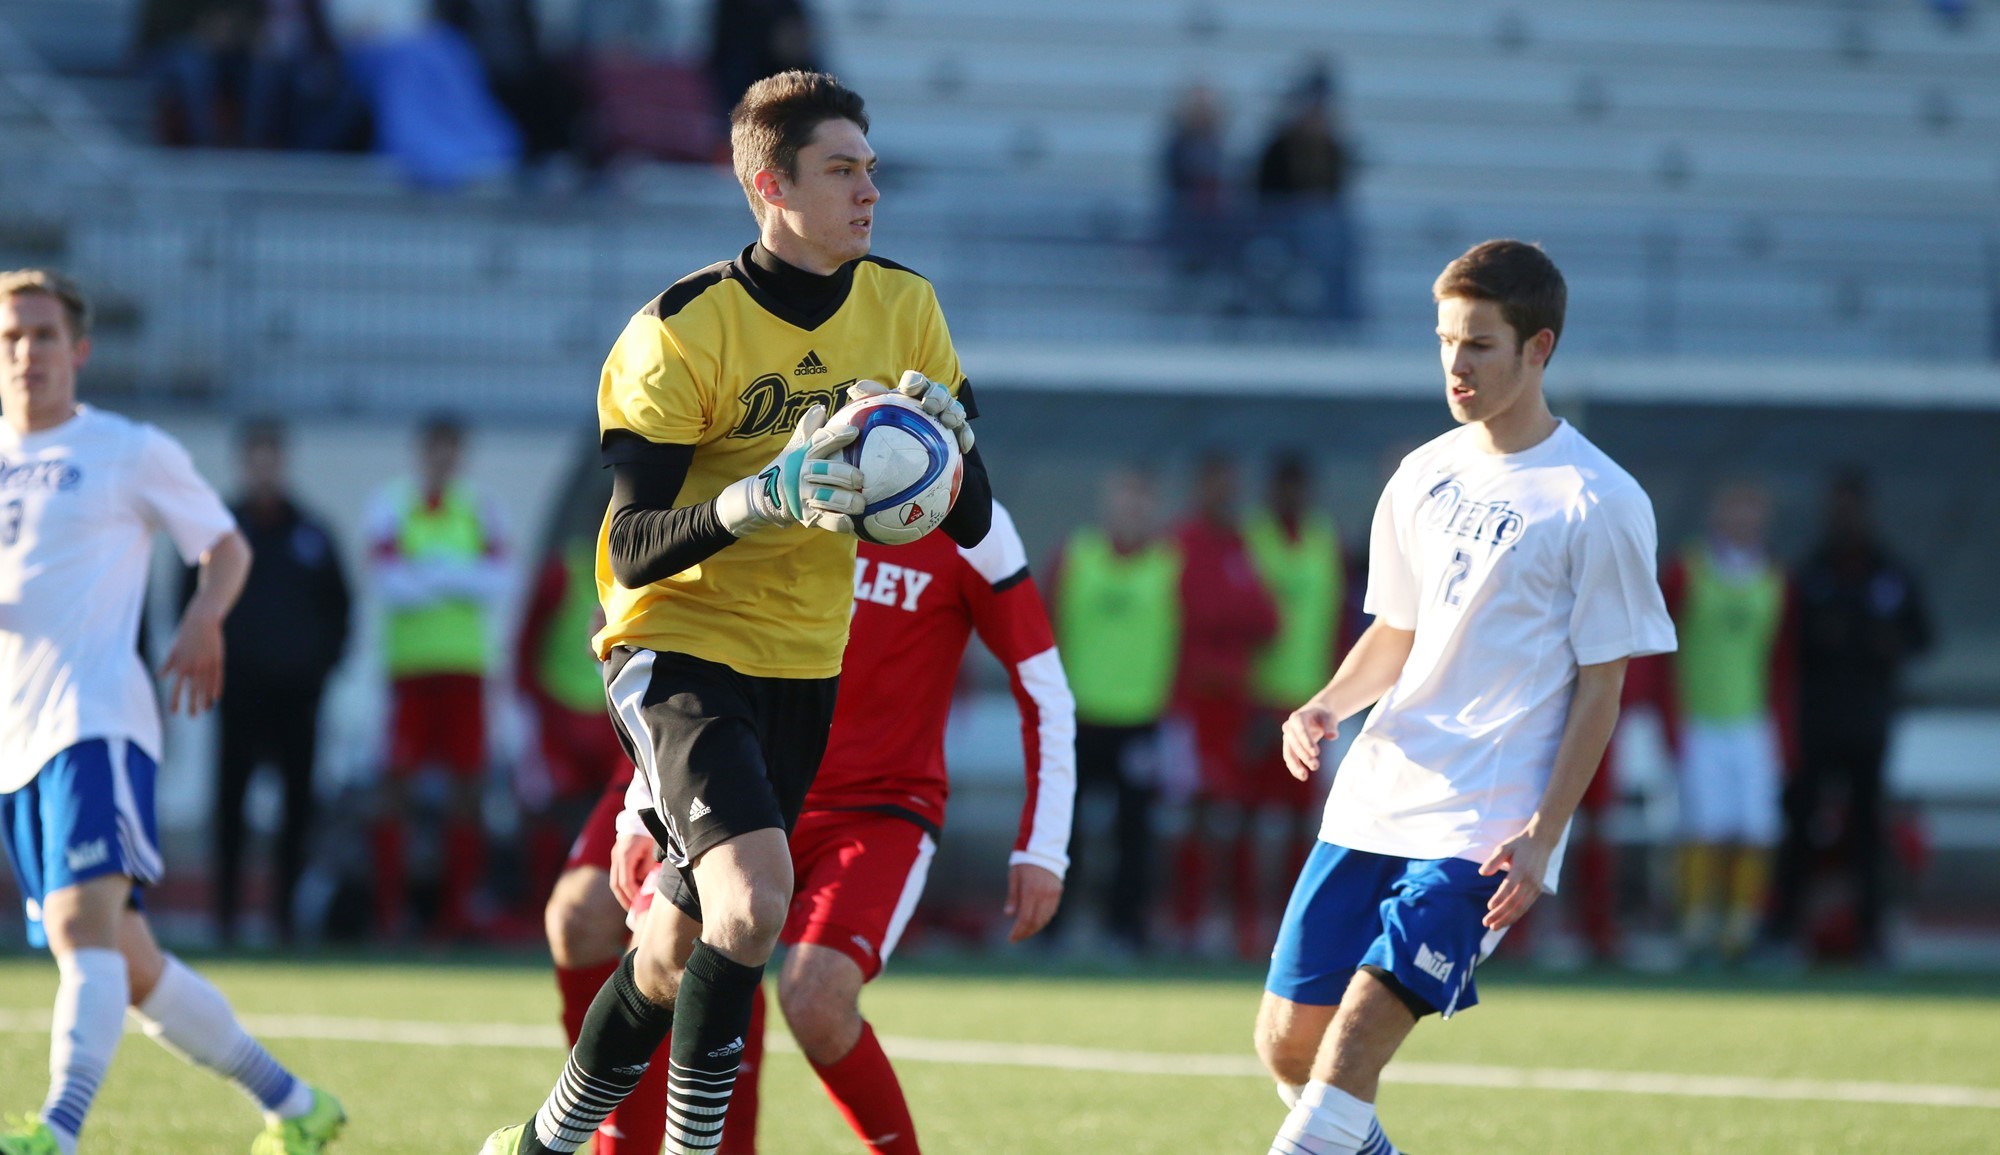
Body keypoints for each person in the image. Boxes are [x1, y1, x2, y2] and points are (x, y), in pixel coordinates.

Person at [477, 68, 992, 1155]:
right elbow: (626, 544)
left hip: (806, 660)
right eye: (841, 170)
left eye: (870, 168)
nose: (868, 192)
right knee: (753, 906)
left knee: (669, 952)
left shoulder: (905, 307)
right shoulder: (678, 331)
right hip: (677, 650)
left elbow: (967, 515)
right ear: (770, 184)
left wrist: (945, 450)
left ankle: (542, 1144)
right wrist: (763, 496)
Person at [1256, 241, 1676, 1155]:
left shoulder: (1597, 500)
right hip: (1375, 794)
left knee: (1348, 1057)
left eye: (1481, 343)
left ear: (1540, 349)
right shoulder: (1422, 473)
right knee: (1287, 1044)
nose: (1456, 363)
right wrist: (1326, 703)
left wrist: (1542, 834)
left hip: (1480, 826)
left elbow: (1604, 686)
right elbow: (1397, 632)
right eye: (1446, 339)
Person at [596, 499, 1074, 1155]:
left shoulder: (968, 514)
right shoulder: (785, 485)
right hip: (753, 794)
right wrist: (638, 807)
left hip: (882, 811)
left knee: (816, 999)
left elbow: (1041, 682)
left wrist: (1044, 847)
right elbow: (691, 659)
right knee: (660, 965)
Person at [0, 269, 345, 1155]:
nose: (26, 352)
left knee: (82, 930)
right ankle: (296, 1104)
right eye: (11, 337)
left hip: (95, 722)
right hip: (17, 744)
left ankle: (59, 1131)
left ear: (77, 350)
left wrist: (202, 615)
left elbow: (222, 548)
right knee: (132, 961)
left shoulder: (124, 447)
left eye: (42, 335)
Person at [1766, 469, 1931, 964]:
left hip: (1869, 724)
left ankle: (1870, 936)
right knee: (1798, 824)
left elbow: (1923, 636)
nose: (1845, 518)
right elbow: (1784, 642)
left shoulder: (1891, 573)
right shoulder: (1810, 572)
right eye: (1837, 508)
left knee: (1865, 828)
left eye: (1852, 508)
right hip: (1814, 723)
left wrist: (1889, 647)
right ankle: (1781, 932)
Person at [206, 418, 352, 946]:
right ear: (244, 462)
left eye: (273, 456)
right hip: (237, 693)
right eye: (256, 457)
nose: (264, 467)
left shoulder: (311, 533)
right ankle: (225, 917)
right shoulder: (219, 532)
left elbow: (340, 608)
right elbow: (191, 602)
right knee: (230, 806)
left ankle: (283, 920)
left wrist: (320, 668)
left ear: (282, 461)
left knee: (297, 809)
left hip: (297, 697)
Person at [365, 413, 510, 940]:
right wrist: (455, 575)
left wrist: (427, 573)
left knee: (467, 789)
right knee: (394, 786)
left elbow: (499, 580)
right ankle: (390, 912)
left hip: (465, 671)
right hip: (409, 671)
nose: (442, 460)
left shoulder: (479, 507)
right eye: (435, 449)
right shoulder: (392, 503)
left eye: (451, 450)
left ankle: (456, 911)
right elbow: (386, 582)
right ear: (421, 451)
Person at [1657, 482, 1795, 963]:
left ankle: (1741, 928)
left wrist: (1783, 730)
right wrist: (1667, 719)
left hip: (1753, 721)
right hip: (1700, 719)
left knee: (1757, 827)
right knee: (1705, 826)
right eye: (1733, 511)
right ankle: (1696, 926)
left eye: (1751, 512)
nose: (1742, 522)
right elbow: (1658, 646)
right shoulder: (1689, 569)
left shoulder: (1774, 576)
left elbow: (1781, 660)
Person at [1045, 467, 1179, 954]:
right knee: (1064, 830)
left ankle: (1127, 930)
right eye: (1125, 503)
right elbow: (1044, 626)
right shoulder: (1078, 555)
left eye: (1141, 505)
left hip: (1139, 720)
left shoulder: (1169, 564)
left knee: (1135, 833)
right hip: (1077, 717)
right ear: (1108, 506)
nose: (1132, 514)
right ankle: (1051, 927)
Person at [1167, 452, 1278, 958]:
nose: (1225, 497)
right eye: (1217, 485)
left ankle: (1239, 926)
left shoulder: (1241, 546)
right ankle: (1188, 921)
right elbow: (1186, 614)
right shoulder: (1181, 544)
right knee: (1196, 810)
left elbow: (1264, 618)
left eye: (1231, 487)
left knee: (1239, 812)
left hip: (1236, 704)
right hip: (1193, 704)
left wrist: (1224, 625)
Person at [1241, 452, 1343, 945]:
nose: (1292, 499)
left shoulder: (1324, 540)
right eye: (1284, 488)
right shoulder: (1252, 539)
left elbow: (1338, 622)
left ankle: (1294, 922)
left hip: (1311, 703)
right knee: (1249, 817)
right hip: (1259, 702)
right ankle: (1246, 924)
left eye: (1299, 488)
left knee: (1304, 822)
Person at [515, 441, 622, 906]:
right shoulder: (566, 570)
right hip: (561, 716)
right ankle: (544, 903)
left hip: (614, 718)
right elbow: (528, 640)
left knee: (617, 817)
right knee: (551, 814)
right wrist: (528, 707)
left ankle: (608, 909)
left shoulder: (642, 573)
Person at [1254, 59, 1357, 321]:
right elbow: (1264, 189)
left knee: (1342, 236)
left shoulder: (1332, 144)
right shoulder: (1280, 143)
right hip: (1281, 221)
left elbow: (1336, 187)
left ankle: (1341, 314)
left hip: (1318, 223)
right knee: (1323, 230)